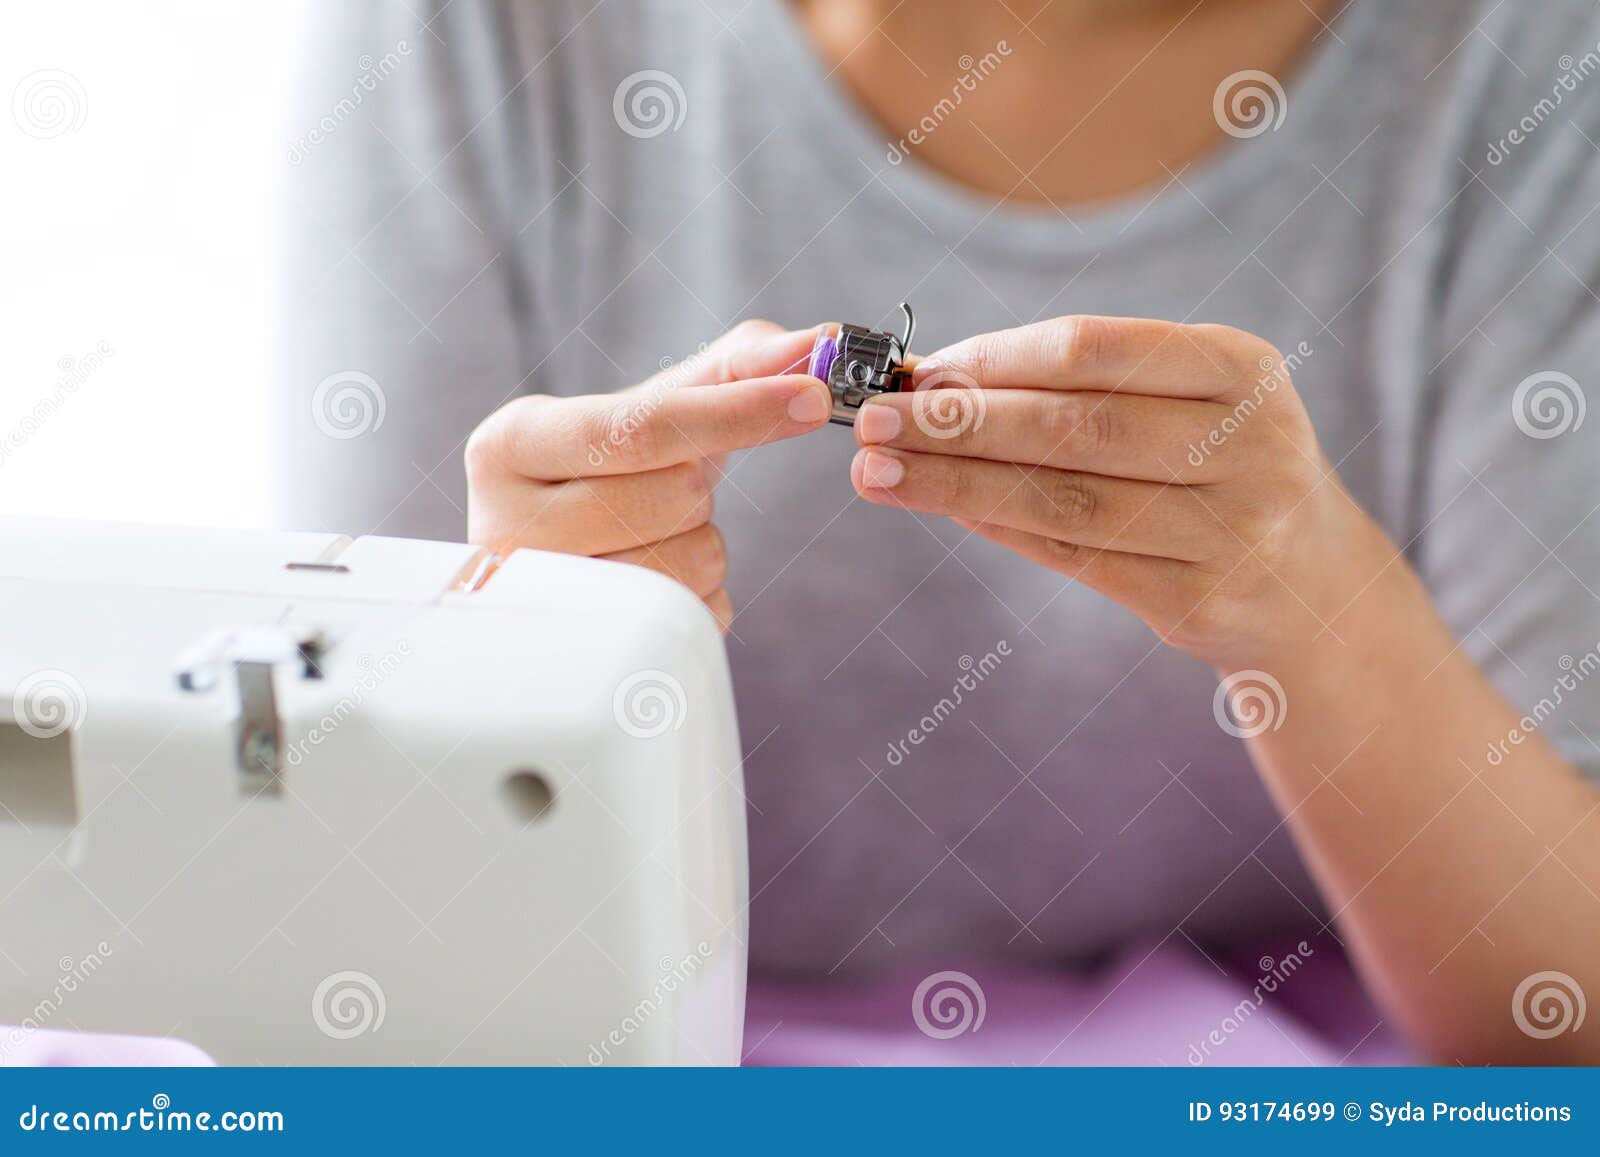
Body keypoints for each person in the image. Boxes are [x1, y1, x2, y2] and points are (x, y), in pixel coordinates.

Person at [277, 0, 1600, 1063]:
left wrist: (1318, 607)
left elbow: (1561, 1011)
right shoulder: (474, 32)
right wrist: (510, 669)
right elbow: (340, 910)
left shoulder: (1532, 65)